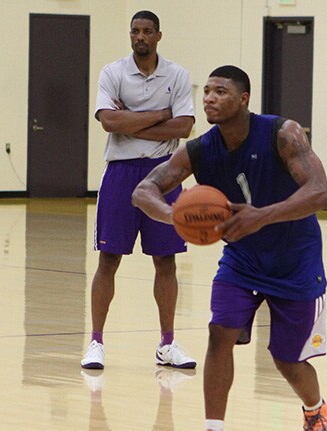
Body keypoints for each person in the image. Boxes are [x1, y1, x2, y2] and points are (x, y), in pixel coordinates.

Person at [132, 65, 327, 431]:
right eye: (205, 91)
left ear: (243, 99)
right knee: (218, 334)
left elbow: (320, 193)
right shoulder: (201, 149)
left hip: (295, 258)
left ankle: (316, 414)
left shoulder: (283, 133)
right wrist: (174, 215)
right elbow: (143, 190)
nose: (209, 98)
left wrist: (263, 216)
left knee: (286, 359)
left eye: (220, 91)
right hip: (241, 259)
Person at [81, 10, 197, 370]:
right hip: (120, 172)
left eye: (147, 31)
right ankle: (96, 342)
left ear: (158, 36)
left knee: (166, 260)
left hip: (163, 174)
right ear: (130, 35)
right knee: (109, 259)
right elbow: (109, 121)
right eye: (135, 31)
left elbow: (186, 127)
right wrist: (159, 115)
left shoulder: (176, 75)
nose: (140, 36)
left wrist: (131, 121)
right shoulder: (112, 72)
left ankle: (167, 344)